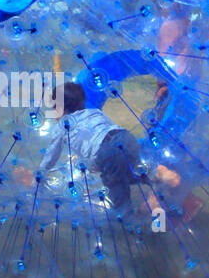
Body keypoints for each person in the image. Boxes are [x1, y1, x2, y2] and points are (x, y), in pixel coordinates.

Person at [15, 82, 149, 221]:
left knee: (116, 189)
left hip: (109, 153)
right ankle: (150, 179)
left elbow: (51, 157)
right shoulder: (94, 112)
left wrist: (38, 178)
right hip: (126, 138)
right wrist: (95, 164)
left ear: (62, 109)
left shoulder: (63, 126)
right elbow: (103, 132)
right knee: (123, 172)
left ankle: (131, 223)